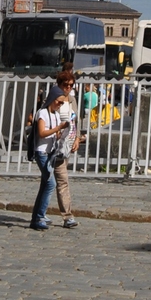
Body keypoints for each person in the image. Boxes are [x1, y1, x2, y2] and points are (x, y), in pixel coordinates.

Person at [29, 91, 64, 232]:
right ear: (52, 99)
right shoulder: (42, 113)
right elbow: (42, 133)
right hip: (41, 152)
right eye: (58, 102)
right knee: (51, 184)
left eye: (62, 103)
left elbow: (55, 134)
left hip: (50, 152)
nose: (60, 105)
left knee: (45, 184)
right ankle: (39, 216)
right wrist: (57, 128)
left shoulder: (56, 115)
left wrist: (61, 132)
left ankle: (36, 218)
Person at [49, 78, 81, 230]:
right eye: (65, 85)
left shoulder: (72, 100)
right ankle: (67, 216)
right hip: (55, 147)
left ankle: (39, 213)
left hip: (67, 146)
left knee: (48, 183)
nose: (68, 88)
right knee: (62, 181)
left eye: (71, 85)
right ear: (59, 84)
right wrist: (55, 131)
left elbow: (76, 122)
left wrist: (77, 139)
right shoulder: (54, 100)